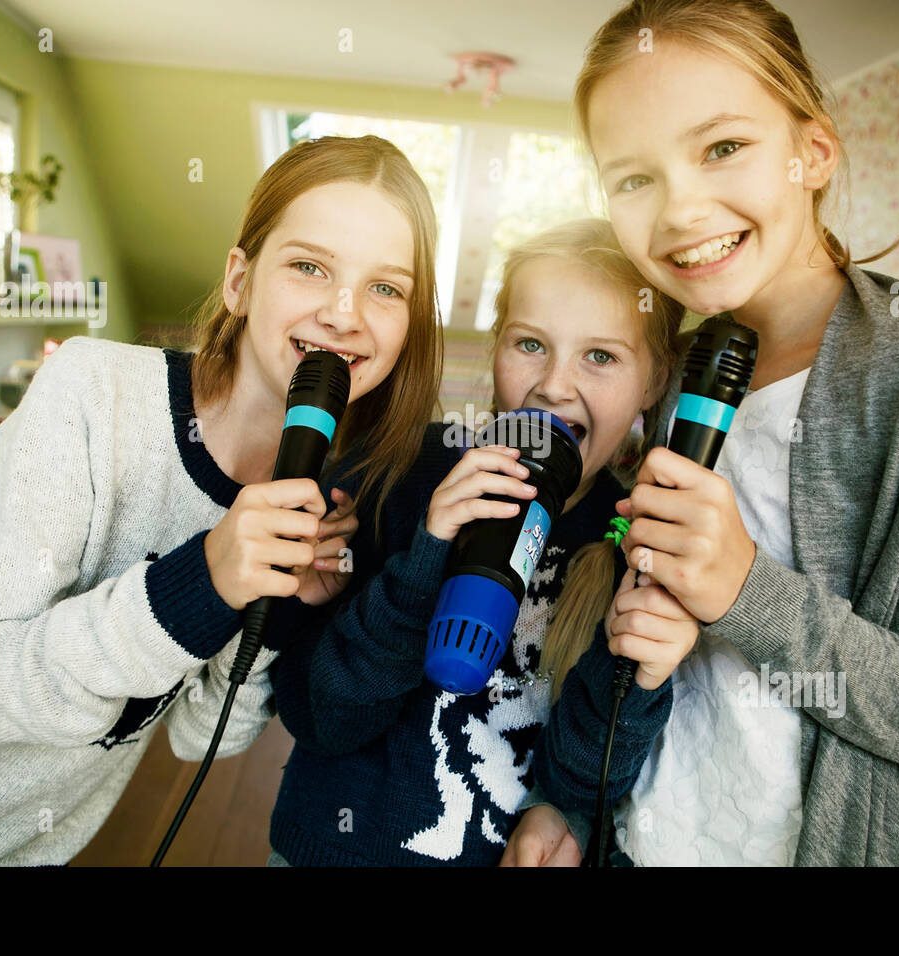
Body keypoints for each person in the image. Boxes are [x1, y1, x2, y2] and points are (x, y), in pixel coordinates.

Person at [502, 0, 899, 867]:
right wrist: (570, 801)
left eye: (723, 147)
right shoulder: (656, 372)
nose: (682, 210)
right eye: (634, 178)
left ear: (814, 150)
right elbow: (612, 635)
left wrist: (748, 593)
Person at [0, 134, 442, 865]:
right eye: (309, 266)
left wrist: (280, 608)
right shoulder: (92, 391)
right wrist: (201, 581)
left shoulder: (324, 494)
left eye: (386, 288)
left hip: (3, 851)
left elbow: (201, 735)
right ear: (240, 282)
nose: (345, 314)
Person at [266, 218, 690, 865]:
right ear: (495, 347)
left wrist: (640, 677)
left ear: (654, 381)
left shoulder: (636, 539)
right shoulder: (403, 471)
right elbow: (321, 716)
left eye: (600, 356)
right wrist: (426, 558)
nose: (555, 385)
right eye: (530, 344)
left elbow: (585, 782)